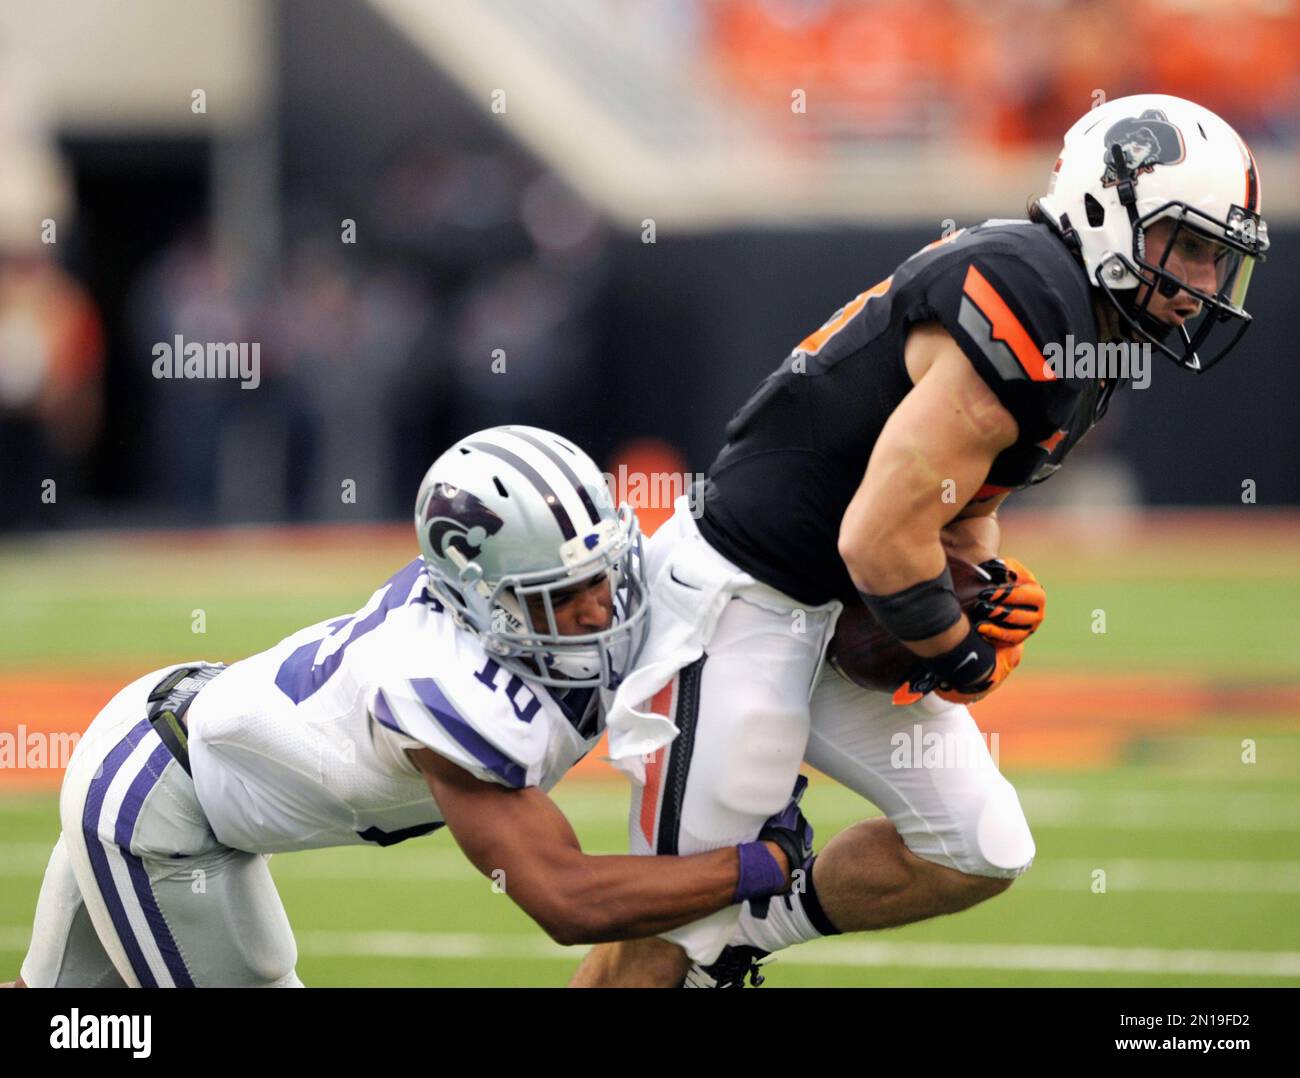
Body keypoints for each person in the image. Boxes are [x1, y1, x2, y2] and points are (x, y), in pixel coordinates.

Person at [570, 94, 1270, 987]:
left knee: (976, 845)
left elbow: (957, 508)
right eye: (1192, 247)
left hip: (828, 608)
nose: (1206, 284)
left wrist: (987, 579)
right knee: (662, 935)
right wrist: (959, 652)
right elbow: (877, 539)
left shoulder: (1086, 326)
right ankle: (709, 935)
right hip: (738, 601)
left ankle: (745, 931)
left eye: (1220, 258)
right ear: (1107, 207)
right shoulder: (1037, 296)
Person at [8, 425, 812, 987]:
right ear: (484, 600)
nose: (604, 610)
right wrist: (757, 866)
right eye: (565, 596)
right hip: (160, 813)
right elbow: (567, 898)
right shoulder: (439, 690)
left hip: (176, 739)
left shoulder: (535, 612)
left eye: (606, 575)